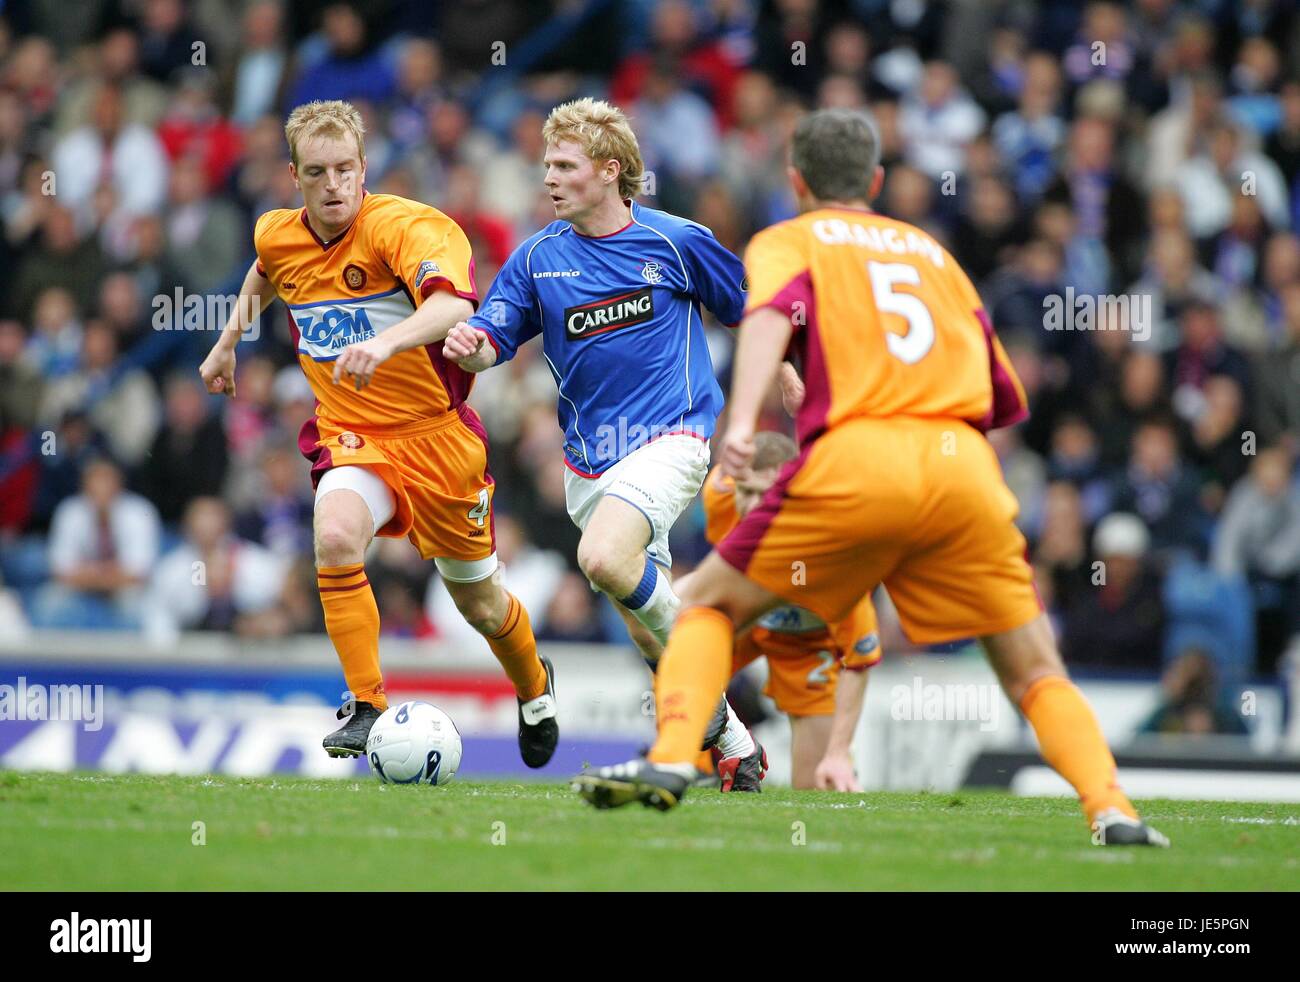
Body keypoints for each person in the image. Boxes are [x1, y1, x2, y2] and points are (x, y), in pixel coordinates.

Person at [572, 108, 1169, 847]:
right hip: (963, 467)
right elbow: (1004, 394)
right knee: (1033, 668)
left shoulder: (790, 239)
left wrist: (740, 422)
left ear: (795, 179)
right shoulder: (934, 256)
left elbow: (765, 322)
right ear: (878, 180)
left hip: (857, 456)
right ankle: (1112, 810)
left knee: (702, 608)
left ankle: (670, 761)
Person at [198, 100, 556, 766]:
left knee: (479, 602)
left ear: (364, 168)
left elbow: (452, 305)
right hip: (353, 431)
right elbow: (266, 270)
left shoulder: (408, 227)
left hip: (438, 440)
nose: (332, 186)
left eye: (344, 170)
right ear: (295, 177)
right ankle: (367, 704)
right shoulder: (279, 233)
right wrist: (227, 344)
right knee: (334, 537)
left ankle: (534, 686)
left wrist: (386, 343)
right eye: (316, 173)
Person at [442, 98, 765, 788]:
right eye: (546, 165)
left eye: (564, 165)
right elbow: (494, 337)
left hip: (675, 435)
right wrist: (471, 348)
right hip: (591, 463)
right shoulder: (536, 260)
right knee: (644, 621)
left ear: (611, 171)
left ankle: (716, 662)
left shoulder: (678, 240)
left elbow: (750, 310)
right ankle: (734, 744)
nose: (549, 179)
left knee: (602, 557)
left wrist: (788, 370)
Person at [699, 430, 881, 791]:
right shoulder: (720, 493)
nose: (751, 507)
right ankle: (695, 767)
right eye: (745, 491)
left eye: (764, 496)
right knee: (677, 648)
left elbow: (858, 658)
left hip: (807, 643)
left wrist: (839, 751)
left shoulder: (831, 553)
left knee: (816, 787)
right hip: (744, 618)